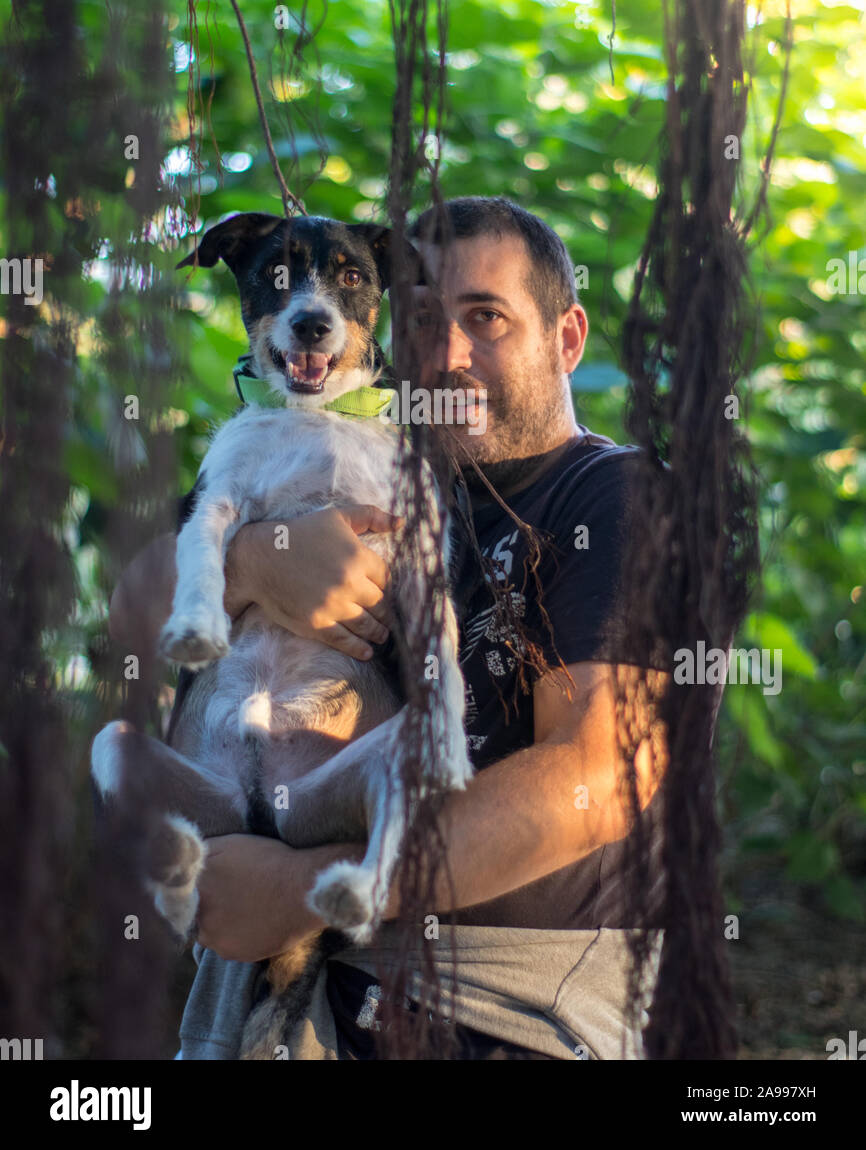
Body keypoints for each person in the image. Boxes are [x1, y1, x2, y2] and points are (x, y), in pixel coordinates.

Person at [109, 195, 669, 1060]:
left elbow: (603, 774)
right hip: (299, 997)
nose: (445, 354)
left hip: (502, 1012)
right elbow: (130, 612)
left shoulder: (612, 494)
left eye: (486, 317)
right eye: (419, 320)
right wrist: (255, 563)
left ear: (567, 338)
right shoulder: (356, 467)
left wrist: (297, 889)